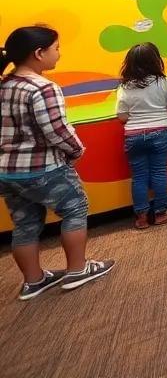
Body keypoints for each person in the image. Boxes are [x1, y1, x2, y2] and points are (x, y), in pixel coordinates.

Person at [0, 26, 114, 300]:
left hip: (7, 173)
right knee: (75, 209)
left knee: (25, 224)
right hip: (44, 168)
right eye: (56, 48)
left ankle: (34, 281)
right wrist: (76, 151)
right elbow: (57, 131)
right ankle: (77, 270)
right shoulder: (43, 88)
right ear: (39, 53)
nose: (59, 54)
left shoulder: (4, 83)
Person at [115, 42, 167, 228]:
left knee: (139, 176)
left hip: (134, 135)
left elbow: (122, 118)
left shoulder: (124, 87)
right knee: (159, 172)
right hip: (161, 131)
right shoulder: (166, 83)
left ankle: (142, 217)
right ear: (155, 60)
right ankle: (160, 213)